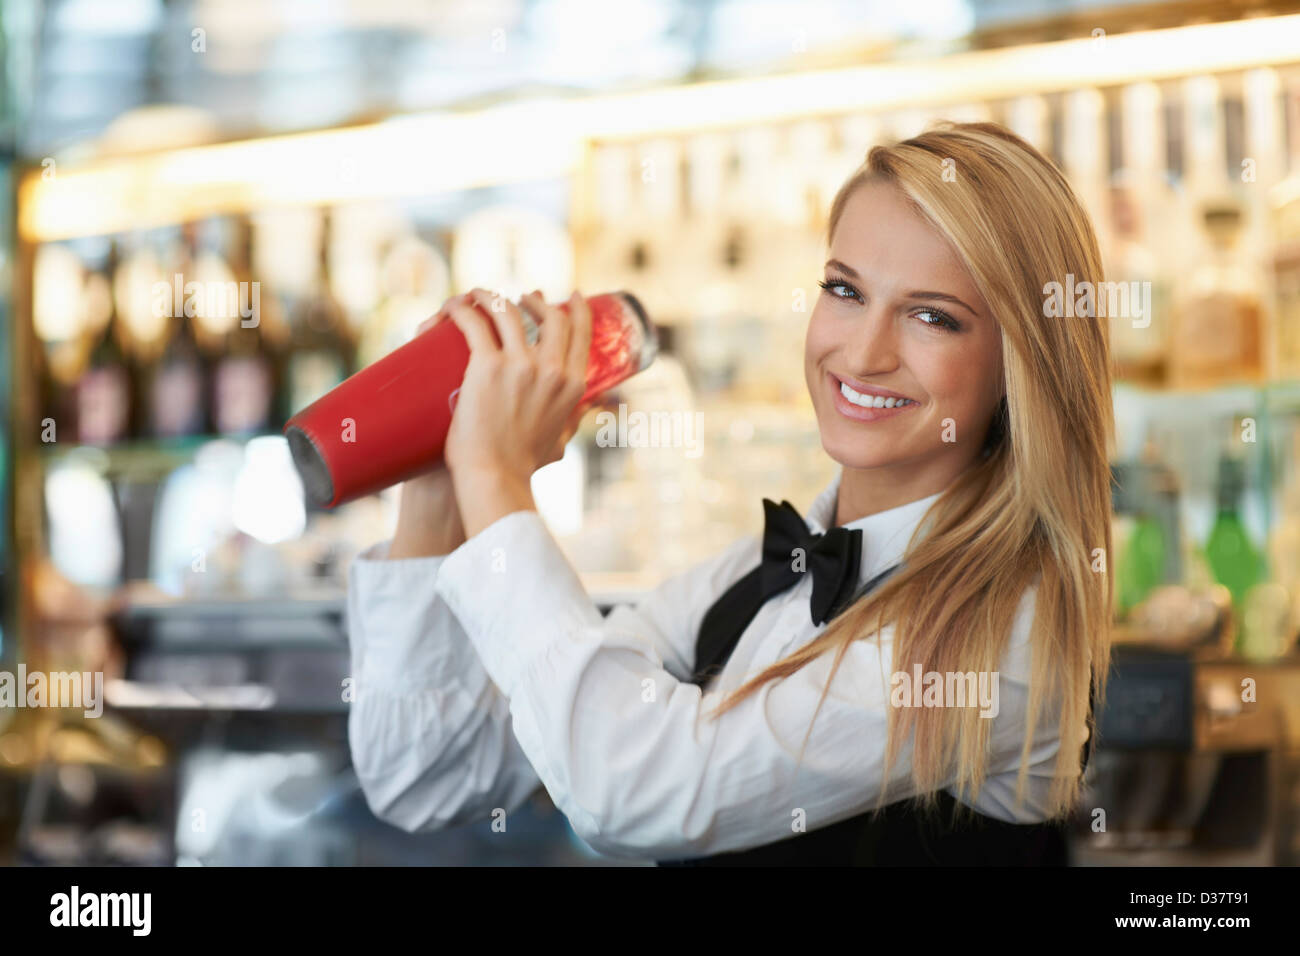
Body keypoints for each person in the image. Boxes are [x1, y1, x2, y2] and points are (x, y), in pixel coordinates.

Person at [344, 121, 1113, 865]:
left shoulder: (1004, 635)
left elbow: (628, 790)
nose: (863, 351)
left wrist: (496, 477)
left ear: (1022, 364)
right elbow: (431, 776)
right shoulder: (750, 577)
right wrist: (439, 479)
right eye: (844, 291)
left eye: (932, 317)